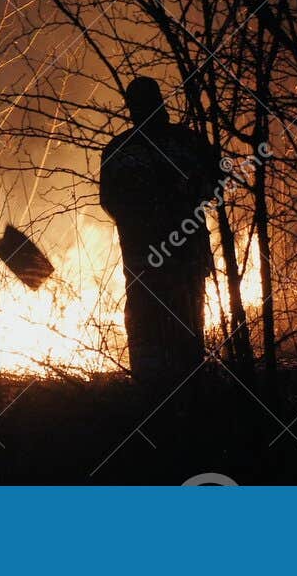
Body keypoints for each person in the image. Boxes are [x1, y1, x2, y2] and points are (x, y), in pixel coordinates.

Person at [99, 77, 224, 387]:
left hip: (151, 260)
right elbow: (217, 186)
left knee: (151, 331)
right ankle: (181, 395)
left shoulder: (120, 149)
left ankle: (156, 396)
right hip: (177, 256)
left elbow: (110, 203)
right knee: (181, 330)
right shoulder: (187, 142)